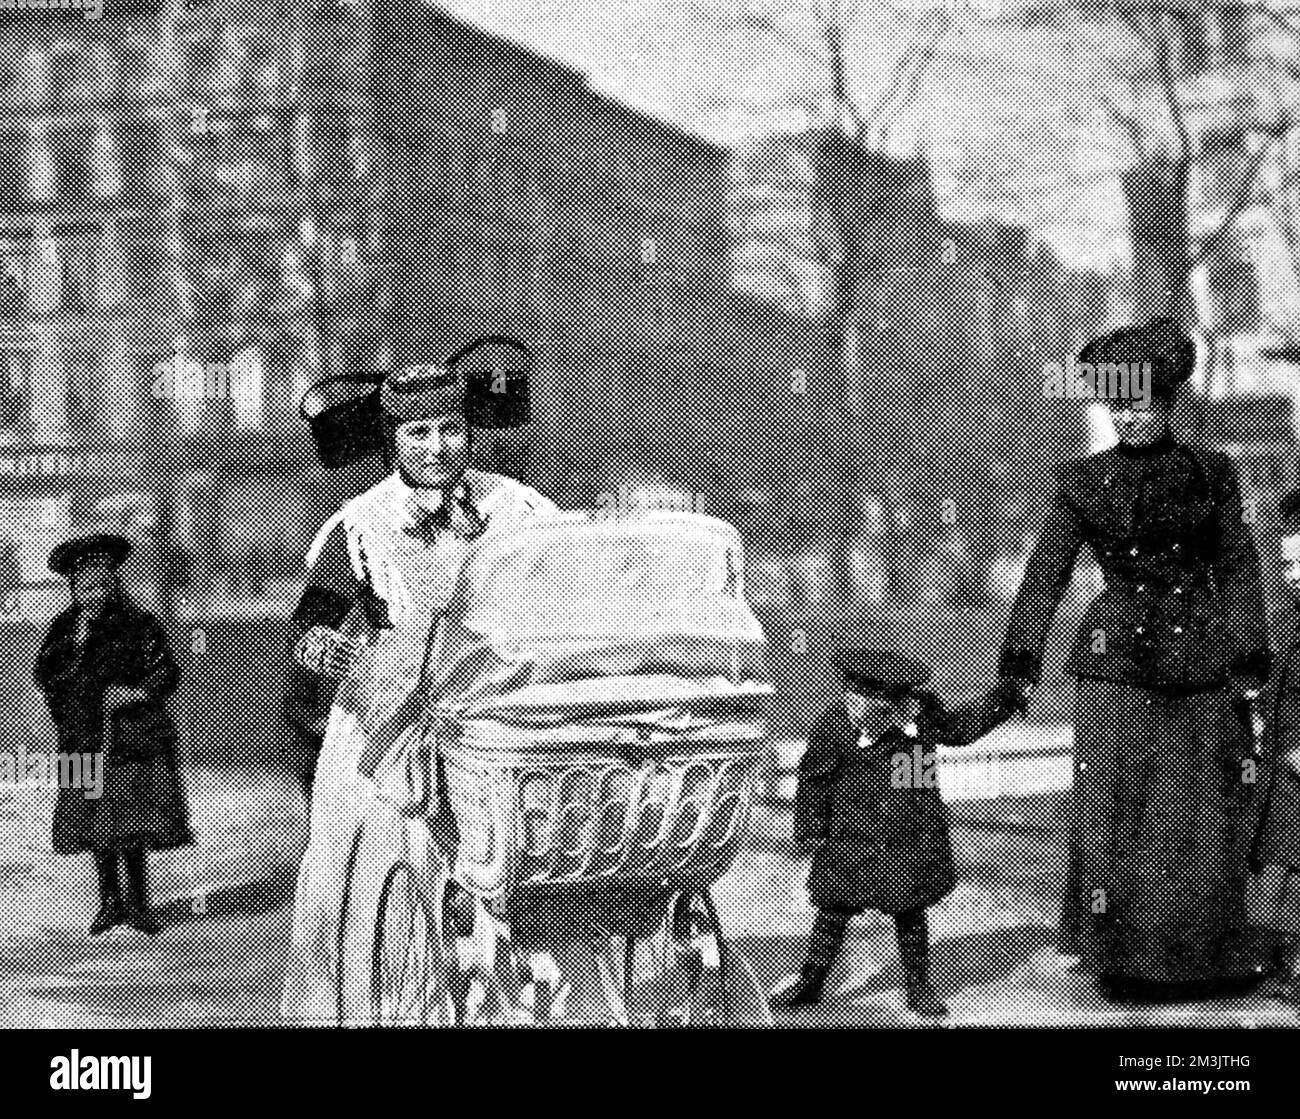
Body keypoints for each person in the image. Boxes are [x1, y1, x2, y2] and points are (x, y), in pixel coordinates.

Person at [998, 317, 1273, 1000]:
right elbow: (1045, 573)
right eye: (1116, 406)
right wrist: (1021, 661)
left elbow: (1238, 564)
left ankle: (1200, 958)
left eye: (1141, 404)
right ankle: (1123, 957)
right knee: (1117, 811)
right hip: (1114, 662)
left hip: (1202, 658)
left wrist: (1249, 658)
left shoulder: (1213, 472)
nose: (1128, 418)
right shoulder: (1081, 480)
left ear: (1168, 401)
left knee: (1198, 811)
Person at [280, 352, 558, 1023]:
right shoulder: (358, 525)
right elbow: (308, 628)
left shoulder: (517, 507)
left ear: (470, 428)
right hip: (388, 722)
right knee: (381, 866)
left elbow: (565, 590)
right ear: (392, 440)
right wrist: (338, 653)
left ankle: (522, 1001)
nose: (438, 447)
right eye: (418, 434)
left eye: (450, 429)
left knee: (528, 864)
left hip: (495, 716)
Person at [775, 649, 1026, 1016]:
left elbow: (959, 730)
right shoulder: (832, 726)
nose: (857, 707)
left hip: (905, 833)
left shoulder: (917, 721)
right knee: (832, 908)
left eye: (871, 703)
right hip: (849, 834)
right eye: (853, 697)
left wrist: (1005, 698)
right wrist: (812, 829)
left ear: (898, 702)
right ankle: (811, 979)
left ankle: (919, 986)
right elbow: (814, 780)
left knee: (909, 909)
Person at [34, 533, 191, 936]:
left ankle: (138, 905)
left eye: (100, 583)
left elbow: (167, 674)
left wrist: (134, 692)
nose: (92, 592)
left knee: (130, 822)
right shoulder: (63, 628)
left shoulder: (138, 623)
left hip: (130, 739)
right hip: (81, 738)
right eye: (84, 586)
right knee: (91, 823)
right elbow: (43, 676)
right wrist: (75, 662)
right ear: (73, 587)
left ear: (113, 581)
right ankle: (109, 903)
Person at [1246, 488, 1300, 1002]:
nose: (1292, 574)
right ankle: (1285, 963)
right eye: (1287, 562)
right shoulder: (1293, 627)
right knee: (1278, 861)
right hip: (1282, 776)